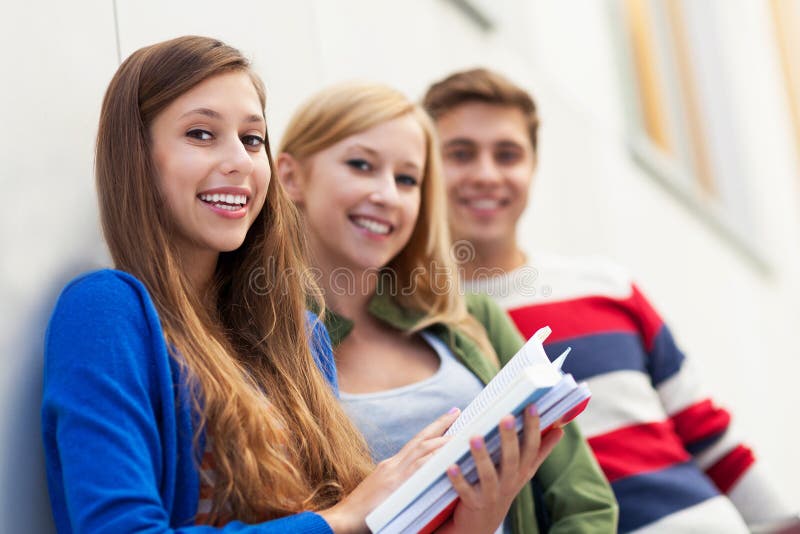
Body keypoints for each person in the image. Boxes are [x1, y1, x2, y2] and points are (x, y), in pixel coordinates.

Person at [41, 35, 463, 533]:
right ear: (136, 154)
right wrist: (344, 518)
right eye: (200, 133)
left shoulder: (302, 335)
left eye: (252, 138)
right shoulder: (105, 311)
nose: (239, 160)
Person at [423, 67, 794, 533]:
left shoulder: (607, 285)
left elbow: (707, 434)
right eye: (460, 153)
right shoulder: (422, 331)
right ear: (425, 169)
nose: (486, 174)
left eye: (508, 154)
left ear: (532, 167)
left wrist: (783, 522)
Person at [276, 81, 618, 533]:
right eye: (361, 165)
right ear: (290, 176)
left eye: (407, 179)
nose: (387, 195)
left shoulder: (470, 315)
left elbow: (585, 503)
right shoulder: (262, 339)